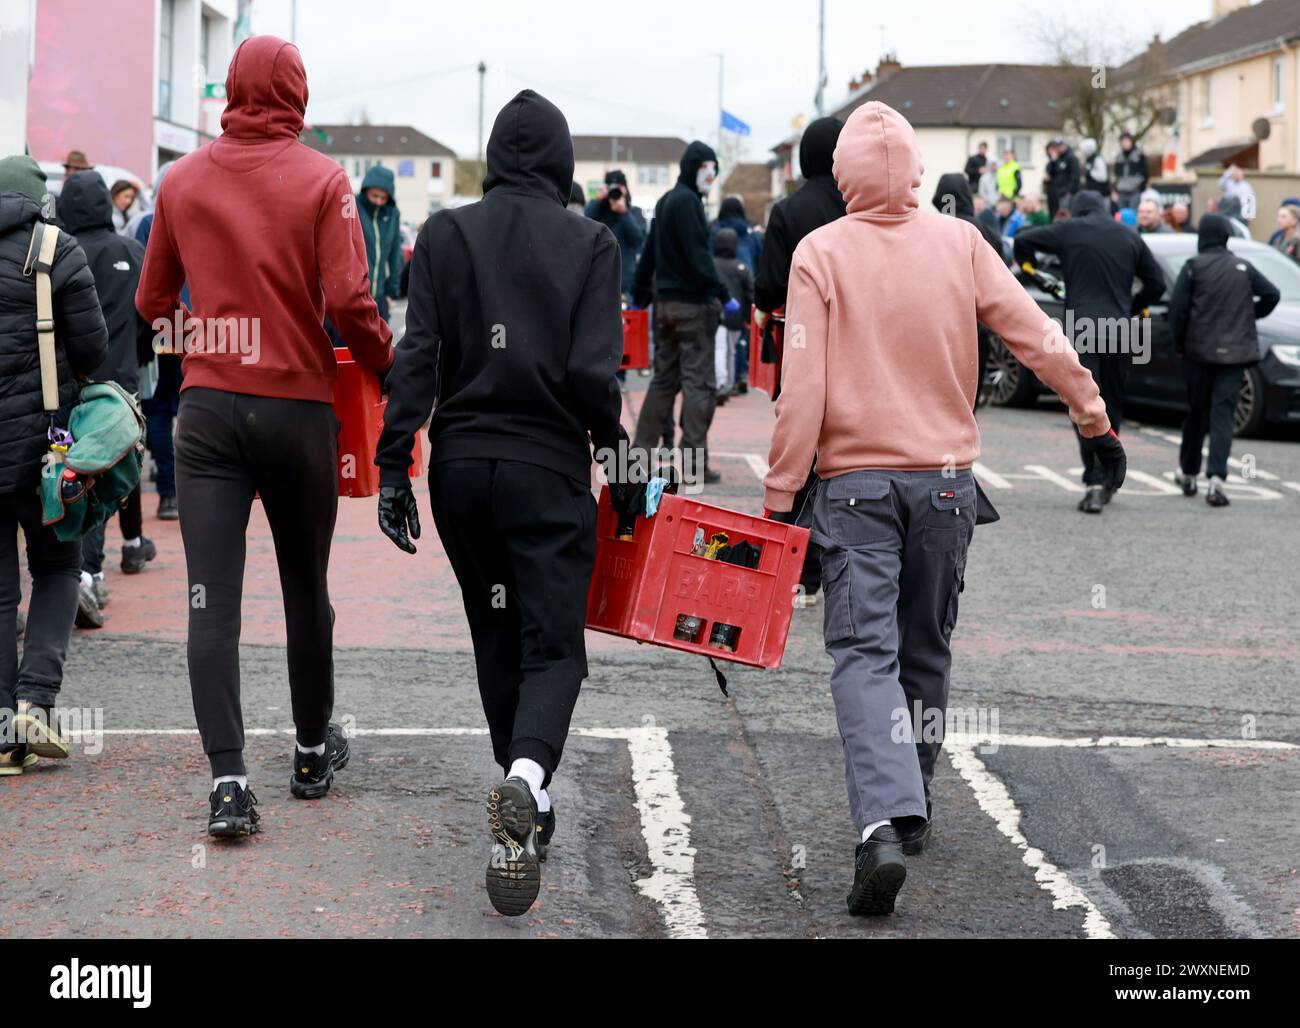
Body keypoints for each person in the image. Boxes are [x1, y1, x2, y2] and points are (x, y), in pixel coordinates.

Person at [764, 102, 1118, 917]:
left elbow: (802, 389)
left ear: (843, 174)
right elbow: (1037, 335)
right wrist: (1093, 420)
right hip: (948, 483)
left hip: (854, 486)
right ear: (917, 168)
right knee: (927, 644)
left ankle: (884, 822)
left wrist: (783, 497)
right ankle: (912, 800)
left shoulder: (819, 253)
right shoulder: (960, 242)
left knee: (863, 651)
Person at [135, 35, 395, 837]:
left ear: (232, 92)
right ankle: (313, 751)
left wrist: (211, 339)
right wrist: (386, 366)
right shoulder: (322, 178)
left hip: (209, 410)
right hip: (296, 409)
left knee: (209, 602)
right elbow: (351, 302)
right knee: (303, 591)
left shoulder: (180, 181)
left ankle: (228, 781)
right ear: (296, 95)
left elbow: (151, 303)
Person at [374, 89, 624, 918]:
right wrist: (618, 451)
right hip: (545, 468)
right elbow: (594, 376)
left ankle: (527, 800)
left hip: (460, 467)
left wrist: (389, 461)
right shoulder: (590, 241)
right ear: (561, 163)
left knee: (494, 625)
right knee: (553, 643)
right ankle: (525, 779)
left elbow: (420, 351)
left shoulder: (445, 232)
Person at [0, 156, 109, 777]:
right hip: (48, 443)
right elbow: (93, 348)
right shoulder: (56, 248)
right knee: (58, 564)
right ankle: (34, 700)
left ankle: (0, 735)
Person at [1014, 191, 1164, 513]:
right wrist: (1130, 307)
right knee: (1112, 402)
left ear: (1076, 211)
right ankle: (1110, 473)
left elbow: (1023, 240)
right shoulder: (1129, 235)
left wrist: (1037, 274)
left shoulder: (1069, 230)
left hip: (1081, 328)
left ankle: (1095, 479)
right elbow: (1157, 284)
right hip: (1120, 329)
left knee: (1084, 403)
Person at [57, 171, 157, 629]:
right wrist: (137, 359)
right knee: (118, 467)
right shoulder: (131, 251)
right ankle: (98, 565)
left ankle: (80, 568)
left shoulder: (58, 253)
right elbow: (152, 316)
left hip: (68, 383)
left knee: (72, 471)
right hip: (121, 382)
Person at [754, 116, 846, 606]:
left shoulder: (788, 211)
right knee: (843, 461)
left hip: (803, 343)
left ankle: (796, 573)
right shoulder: (859, 206)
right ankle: (840, 567)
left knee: (797, 457)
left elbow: (768, 287)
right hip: (856, 347)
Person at [630, 140, 736, 485]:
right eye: (710, 168)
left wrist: (640, 293)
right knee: (698, 385)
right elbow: (699, 258)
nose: (712, 175)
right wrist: (724, 294)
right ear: (696, 167)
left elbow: (649, 253)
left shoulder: (665, 201)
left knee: (663, 381)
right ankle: (694, 466)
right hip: (694, 307)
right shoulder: (690, 203)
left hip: (665, 307)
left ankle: (637, 458)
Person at [1168, 214, 1279, 508]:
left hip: (1198, 352)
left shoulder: (1194, 267)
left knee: (1196, 413)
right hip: (1236, 354)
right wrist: (1250, 316)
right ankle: (1216, 481)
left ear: (1202, 236)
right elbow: (1272, 294)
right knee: (1223, 416)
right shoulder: (1243, 267)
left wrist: (1179, 344)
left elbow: (1177, 311)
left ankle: (1189, 473)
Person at [131, 162, 180, 521]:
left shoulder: (150, 223)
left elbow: (142, 281)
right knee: (196, 406)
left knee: (160, 410)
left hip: (163, 327)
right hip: (203, 327)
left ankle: (169, 492)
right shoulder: (204, 215)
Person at [356, 165, 404, 323]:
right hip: (354, 298)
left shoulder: (392, 215)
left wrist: (392, 291)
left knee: (380, 346)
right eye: (374, 195)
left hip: (380, 298)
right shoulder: (352, 208)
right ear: (366, 190)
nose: (378, 201)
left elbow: (395, 253)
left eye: (383, 198)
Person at [711, 227, 753, 399]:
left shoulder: (711, 265)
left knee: (719, 348)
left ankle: (720, 383)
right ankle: (729, 382)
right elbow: (750, 293)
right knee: (732, 351)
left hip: (716, 315)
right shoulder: (741, 268)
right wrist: (749, 318)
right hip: (736, 317)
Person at [1043, 137, 1079, 219]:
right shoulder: (1056, 159)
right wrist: (1053, 161)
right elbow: (1050, 174)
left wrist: (1070, 191)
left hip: (1065, 194)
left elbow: (1075, 177)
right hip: (1055, 194)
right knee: (1054, 216)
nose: (1056, 149)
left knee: (1064, 216)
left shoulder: (1071, 158)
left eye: (1058, 146)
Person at [1113, 133, 1148, 211]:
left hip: (1134, 191)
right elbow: (1116, 176)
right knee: (1122, 215)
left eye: (1127, 141)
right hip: (1121, 192)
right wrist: (1115, 190)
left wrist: (1141, 187)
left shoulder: (1139, 155)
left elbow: (1145, 173)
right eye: (1123, 141)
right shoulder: (1118, 157)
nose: (1125, 144)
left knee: (1133, 214)